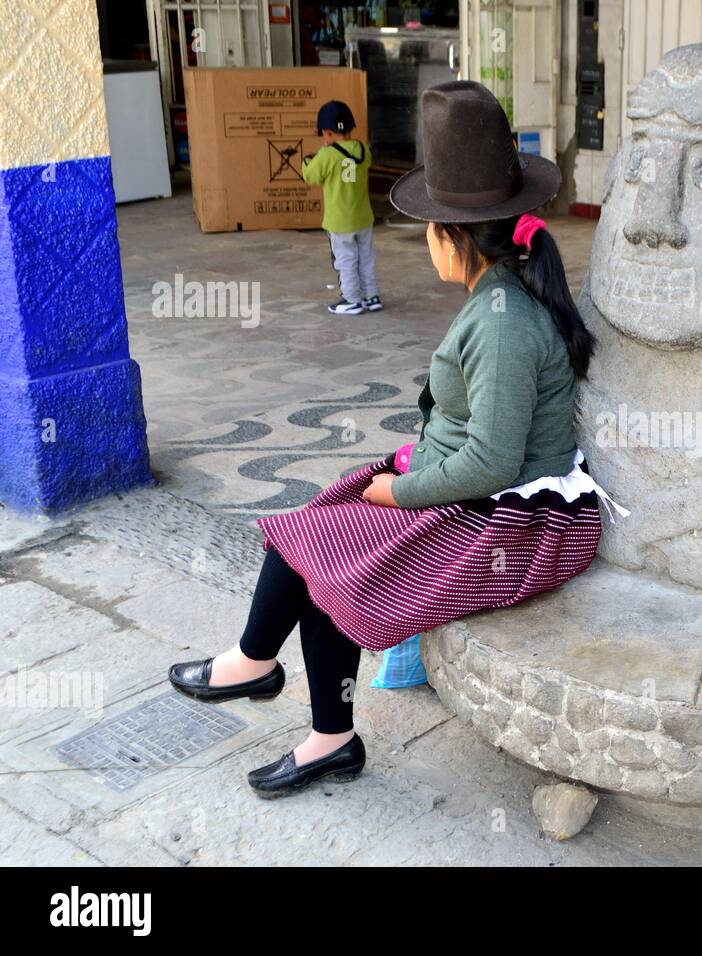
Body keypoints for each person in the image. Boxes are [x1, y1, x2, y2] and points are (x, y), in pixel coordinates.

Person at [168, 82, 612, 797]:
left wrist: (401, 488)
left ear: (453, 236)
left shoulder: (502, 320)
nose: (426, 240)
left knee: (325, 554)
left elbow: (494, 459)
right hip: (482, 491)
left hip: (509, 521)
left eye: (430, 229)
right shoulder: (501, 296)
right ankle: (301, 709)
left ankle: (281, 692)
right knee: (314, 531)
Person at [303, 100, 382, 315]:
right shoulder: (363, 149)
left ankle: (351, 299)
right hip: (363, 217)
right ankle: (371, 296)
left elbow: (311, 176)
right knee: (366, 257)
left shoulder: (327, 155)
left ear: (327, 132)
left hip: (340, 221)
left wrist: (306, 160)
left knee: (345, 258)